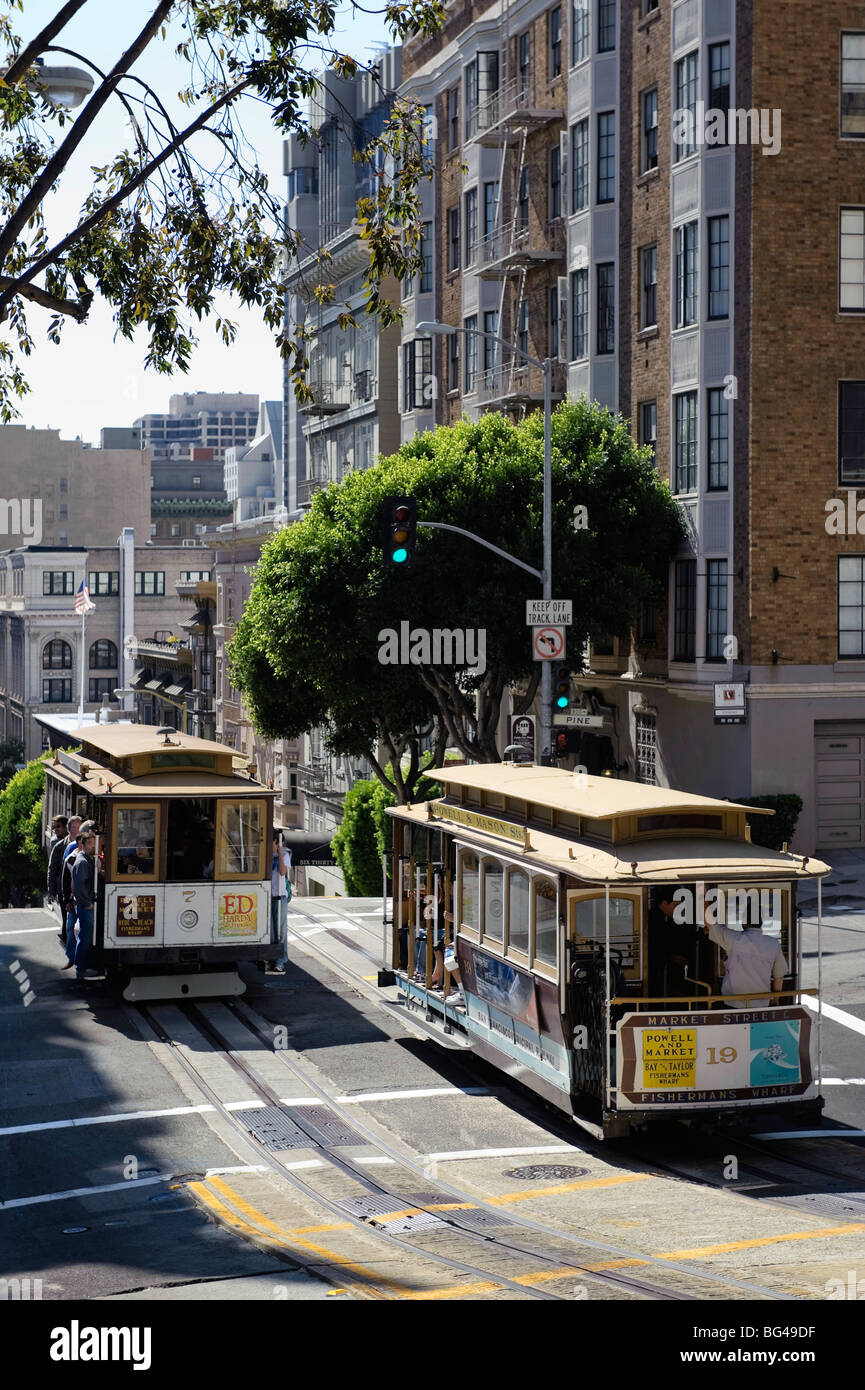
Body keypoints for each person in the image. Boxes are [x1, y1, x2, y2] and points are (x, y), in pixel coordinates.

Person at [702, 902, 789, 1008]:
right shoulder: (773, 944)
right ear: (761, 922)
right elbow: (779, 977)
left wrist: (702, 895)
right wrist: (775, 1001)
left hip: (732, 1004)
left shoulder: (734, 939)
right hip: (761, 1005)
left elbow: (708, 920)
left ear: (744, 922)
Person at [647, 884, 699, 998]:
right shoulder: (652, 919)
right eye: (675, 905)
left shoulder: (668, 919)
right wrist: (671, 956)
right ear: (665, 903)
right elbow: (654, 945)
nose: (677, 908)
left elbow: (682, 936)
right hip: (654, 970)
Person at [70, 822, 101, 981]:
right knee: (85, 938)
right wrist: (87, 903)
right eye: (90, 843)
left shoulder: (85, 859)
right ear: (82, 844)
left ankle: (81, 968)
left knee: (86, 936)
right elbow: (80, 887)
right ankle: (80, 969)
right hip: (85, 906)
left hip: (85, 905)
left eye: (94, 843)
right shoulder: (82, 862)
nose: (93, 846)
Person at [58, 821, 84, 968]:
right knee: (70, 928)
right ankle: (71, 958)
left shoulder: (91, 858)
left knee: (81, 931)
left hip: (84, 900)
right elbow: (65, 879)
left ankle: (81, 961)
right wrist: (66, 899)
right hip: (73, 900)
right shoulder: (71, 856)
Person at [270, 833, 290, 973]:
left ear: (277, 843)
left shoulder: (285, 855)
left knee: (281, 930)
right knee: (270, 930)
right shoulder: (266, 855)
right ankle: (271, 957)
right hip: (267, 896)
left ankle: (280, 960)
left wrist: (280, 853)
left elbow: (282, 872)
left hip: (280, 896)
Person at [46, 816, 68, 903]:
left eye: (58, 826)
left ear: (66, 827)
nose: (55, 830)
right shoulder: (55, 842)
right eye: (54, 827)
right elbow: (52, 867)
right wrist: (52, 891)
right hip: (61, 884)